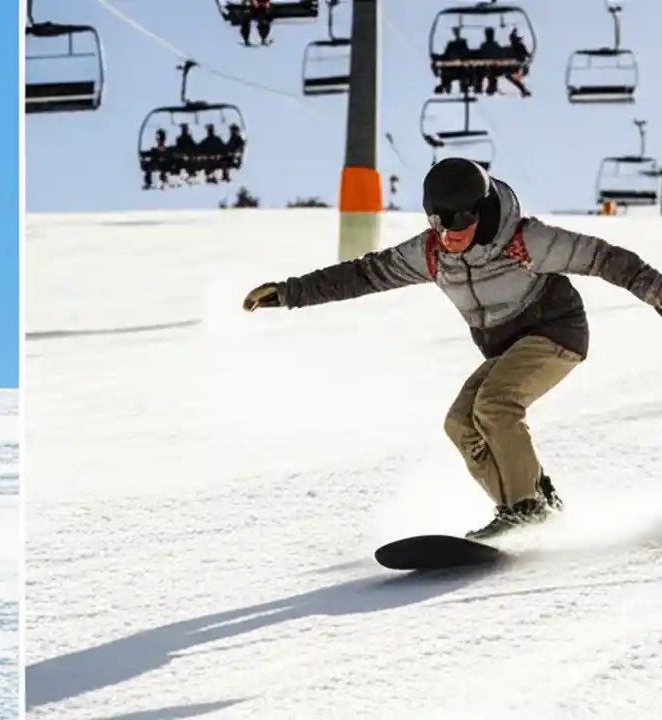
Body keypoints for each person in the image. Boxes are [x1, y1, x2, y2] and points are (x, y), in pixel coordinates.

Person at [241, 157, 662, 540]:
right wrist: (288, 292)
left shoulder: (525, 240)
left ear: (479, 214)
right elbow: (362, 274)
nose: (449, 239)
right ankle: (528, 503)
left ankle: (527, 507)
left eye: (457, 229)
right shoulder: (430, 254)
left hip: (556, 333)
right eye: (439, 227)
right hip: (505, 350)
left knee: (495, 407)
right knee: (460, 423)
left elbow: (606, 258)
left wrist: (656, 292)